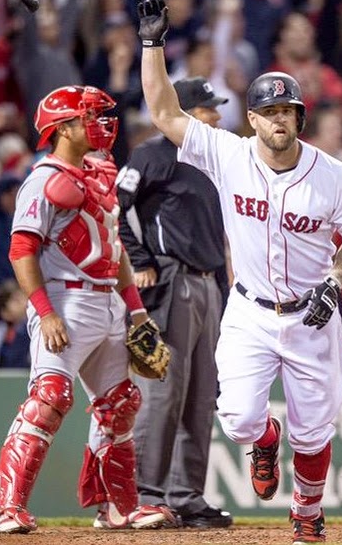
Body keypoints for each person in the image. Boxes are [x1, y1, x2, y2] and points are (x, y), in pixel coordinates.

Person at [138, 0, 342, 544]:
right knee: (238, 421)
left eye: (286, 111)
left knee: (314, 432)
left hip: (311, 315)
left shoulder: (333, 174)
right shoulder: (229, 153)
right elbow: (165, 113)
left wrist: (334, 284)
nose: (277, 121)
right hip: (248, 308)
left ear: (299, 117)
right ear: (252, 119)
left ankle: (307, 512)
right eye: (267, 112)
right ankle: (265, 440)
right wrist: (153, 46)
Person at [0, 85, 177, 534]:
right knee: (48, 399)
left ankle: (117, 508)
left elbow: (115, 249)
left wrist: (136, 310)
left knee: (121, 404)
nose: (101, 123)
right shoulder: (43, 178)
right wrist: (45, 312)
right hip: (65, 301)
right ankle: (6, 506)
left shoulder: (99, 172)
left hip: (107, 297)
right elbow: (21, 249)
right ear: (63, 128)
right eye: (88, 115)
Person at [117, 77, 232, 528]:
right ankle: (146, 494)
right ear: (183, 112)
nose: (217, 117)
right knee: (163, 392)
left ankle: (187, 496)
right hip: (172, 279)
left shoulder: (211, 161)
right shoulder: (153, 153)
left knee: (203, 395)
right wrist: (141, 259)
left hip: (207, 282)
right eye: (208, 109)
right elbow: (116, 206)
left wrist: (223, 288)